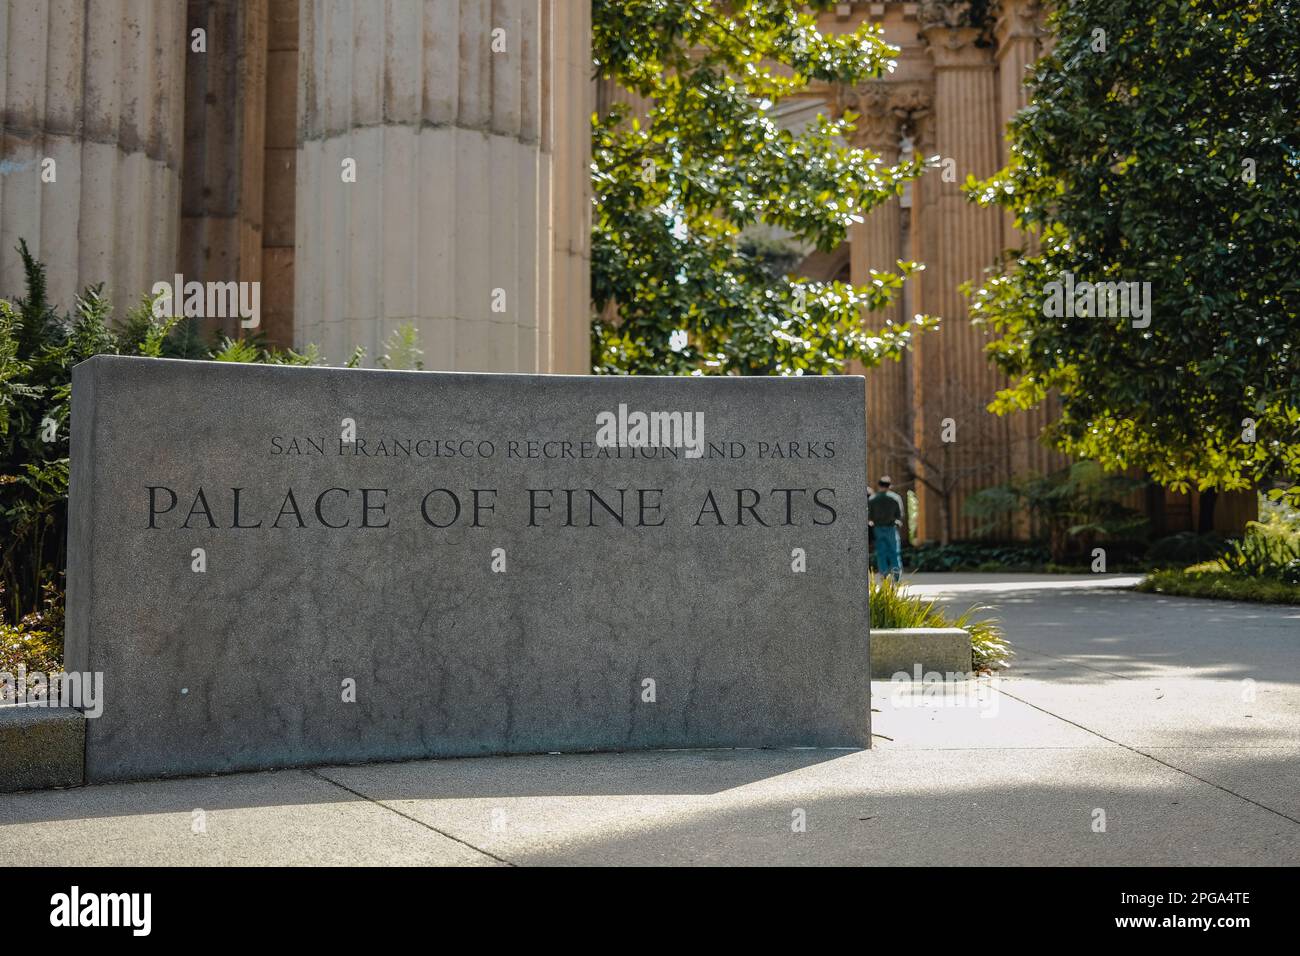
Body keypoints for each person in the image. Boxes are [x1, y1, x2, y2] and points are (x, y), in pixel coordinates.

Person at [867, 475, 905, 582]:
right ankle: (897, 577)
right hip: (891, 528)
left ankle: (884, 575)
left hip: (878, 528)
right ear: (889, 486)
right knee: (894, 553)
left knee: (881, 553)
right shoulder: (895, 498)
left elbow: (870, 515)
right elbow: (899, 514)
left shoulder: (873, 499)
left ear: (879, 485)